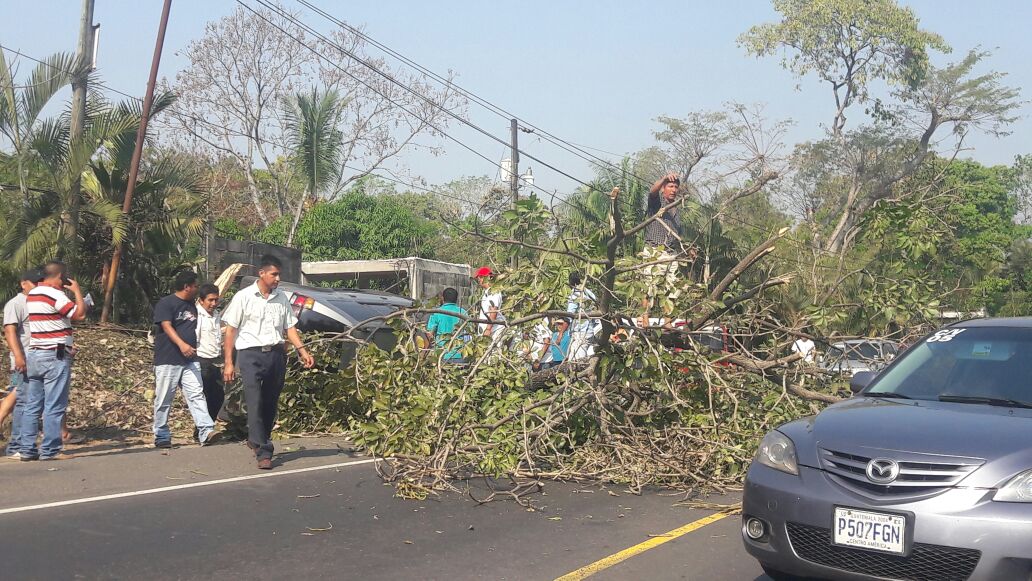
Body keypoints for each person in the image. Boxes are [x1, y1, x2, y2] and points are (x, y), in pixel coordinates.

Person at [222, 255, 315, 470]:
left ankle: (256, 439)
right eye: (274, 274)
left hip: (275, 355)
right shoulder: (243, 297)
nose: (277, 278)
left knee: (270, 402)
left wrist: (303, 351)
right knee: (254, 401)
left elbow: (289, 327)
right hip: (249, 355)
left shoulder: (281, 298)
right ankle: (264, 451)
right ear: (261, 273)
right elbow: (231, 330)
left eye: (279, 274)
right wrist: (229, 362)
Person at [16, 261, 86, 461]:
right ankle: (50, 450)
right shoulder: (55, 294)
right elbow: (79, 314)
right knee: (54, 405)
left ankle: (27, 449)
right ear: (59, 277)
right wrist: (78, 291)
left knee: (33, 404)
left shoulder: (33, 295)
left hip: (36, 353)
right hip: (54, 355)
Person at [152, 271, 216, 448]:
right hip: (168, 359)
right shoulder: (166, 303)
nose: (197, 289)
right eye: (195, 286)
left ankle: (206, 430)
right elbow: (166, 325)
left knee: (196, 393)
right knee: (164, 398)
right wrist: (181, 344)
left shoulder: (191, 306)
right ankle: (161, 434)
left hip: (189, 359)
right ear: (187, 286)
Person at [640, 172, 689, 327]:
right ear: (663, 189)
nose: (673, 189)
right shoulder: (657, 203)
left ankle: (668, 321)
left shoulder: (677, 210)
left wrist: (686, 248)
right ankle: (645, 318)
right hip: (654, 251)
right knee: (650, 287)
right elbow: (652, 192)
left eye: (676, 186)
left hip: (670, 253)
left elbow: (676, 235)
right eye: (670, 186)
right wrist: (663, 179)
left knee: (673, 287)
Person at [2, 269, 39, 456]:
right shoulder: (16, 304)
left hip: (36, 359)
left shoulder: (38, 301)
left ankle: (19, 443)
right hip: (22, 361)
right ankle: (16, 445)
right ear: (23, 283)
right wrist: (18, 357)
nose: (37, 285)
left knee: (24, 400)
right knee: (19, 400)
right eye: (33, 282)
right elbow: (10, 332)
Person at [195, 283, 225, 425]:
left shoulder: (216, 315)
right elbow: (193, 339)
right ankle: (203, 430)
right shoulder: (196, 316)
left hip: (215, 361)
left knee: (218, 397)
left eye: (216, 300)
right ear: (201, 300)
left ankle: (207, 427)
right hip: (201, 361)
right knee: (204, 397)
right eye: (210, 300)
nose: (213, 303)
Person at [426, 287, 469, 363]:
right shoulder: (463, 312)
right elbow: (468, 334)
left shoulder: (436, 312)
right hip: (460, 354)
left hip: (442, 354)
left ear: (442, 298)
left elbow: (429, 335)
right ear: (456, 299)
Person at [566, 272, 599, 360]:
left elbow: (570, 314)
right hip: (589, 331)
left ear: (570, 283)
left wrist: (561, 333)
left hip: (580, 332)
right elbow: (596, 317)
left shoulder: (576, 293)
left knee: (575, 361)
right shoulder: (590, 293)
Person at [474, 266, 504, 338]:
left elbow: (493, 310)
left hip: (494, 331)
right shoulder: (487, 292)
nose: (479, 279)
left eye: (480, 277)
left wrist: (488, 329)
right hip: (489, 330)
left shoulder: (493, 292)